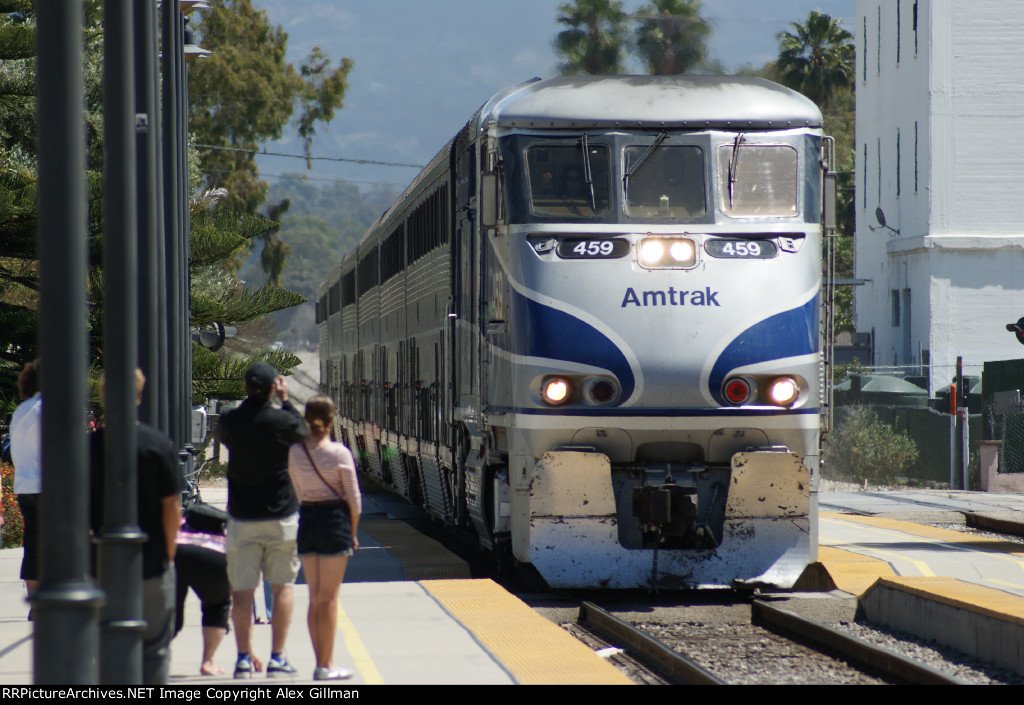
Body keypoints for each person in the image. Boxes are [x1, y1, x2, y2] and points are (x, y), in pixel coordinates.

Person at [89, 368, 183, 685]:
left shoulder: (88, 448)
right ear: (139, 396)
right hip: (152, 562)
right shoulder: (157, 445)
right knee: (155, 648)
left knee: (106, 646)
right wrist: (169, 554)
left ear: (103, 398)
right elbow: (171, 508)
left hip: (101, 565)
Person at [219, 361, 307, 679]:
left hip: (242, 518)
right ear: (273, 388)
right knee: (283, 588)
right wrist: (285, 401)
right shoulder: (283, 421)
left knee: (242, 592)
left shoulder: (230, 420)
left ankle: (243, 659)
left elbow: (227, 438)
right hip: (281, 517)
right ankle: (278, 658)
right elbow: (304, 433)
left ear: (245, 387)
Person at [287, 396, 361, 681]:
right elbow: (354, 502)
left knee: (315, 598)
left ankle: (320, 663)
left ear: (306, 418)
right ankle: (326, 665)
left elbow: (298, 490)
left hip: (307, 520)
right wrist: (351, 533)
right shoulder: (339, 453)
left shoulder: (295, 452)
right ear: (332, 420)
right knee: (329, 599)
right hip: (334, 523)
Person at [175, 502, 231, 676]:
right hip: (215, 558)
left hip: (179, 552)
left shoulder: (181, 527)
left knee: (171, 610)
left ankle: (151, 654)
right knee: (217, 607)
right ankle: (208, 662)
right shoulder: (224, 538)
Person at [9, 360, 41, 613]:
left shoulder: (22, 410)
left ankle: (36, 603)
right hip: (49, 485)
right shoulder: (48, 409)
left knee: (33, 545)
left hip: (25, 485)